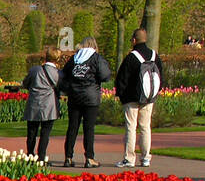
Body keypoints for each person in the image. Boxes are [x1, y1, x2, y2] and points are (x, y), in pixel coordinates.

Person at [114, 28, 163, 168]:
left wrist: (121, 96)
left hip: (131, 99)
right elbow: (160, 77)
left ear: (134, 40)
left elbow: (122, 79)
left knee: (131, 128)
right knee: (145, 127)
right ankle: (146, 158)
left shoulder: (131, 57)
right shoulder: (154, 55)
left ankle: (129, 159)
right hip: (148, 98)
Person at [59, 37, 111, 168]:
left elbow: (63, 75)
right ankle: (89, 157)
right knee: (88, 129)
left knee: (72, 128)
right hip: (90, 97)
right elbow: (105, 75)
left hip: (74, 96)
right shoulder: (96, 58)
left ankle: (68, 157)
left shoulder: (74, 58)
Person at [22, 48, 61, 165]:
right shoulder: (57, 73)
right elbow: (60, 88)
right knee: (45, 133)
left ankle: (30, 155)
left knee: (31, 132)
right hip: (49, 106)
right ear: (57, 59)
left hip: (34, 103)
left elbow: (25, 83)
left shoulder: (35, 70)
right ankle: (41, 156)